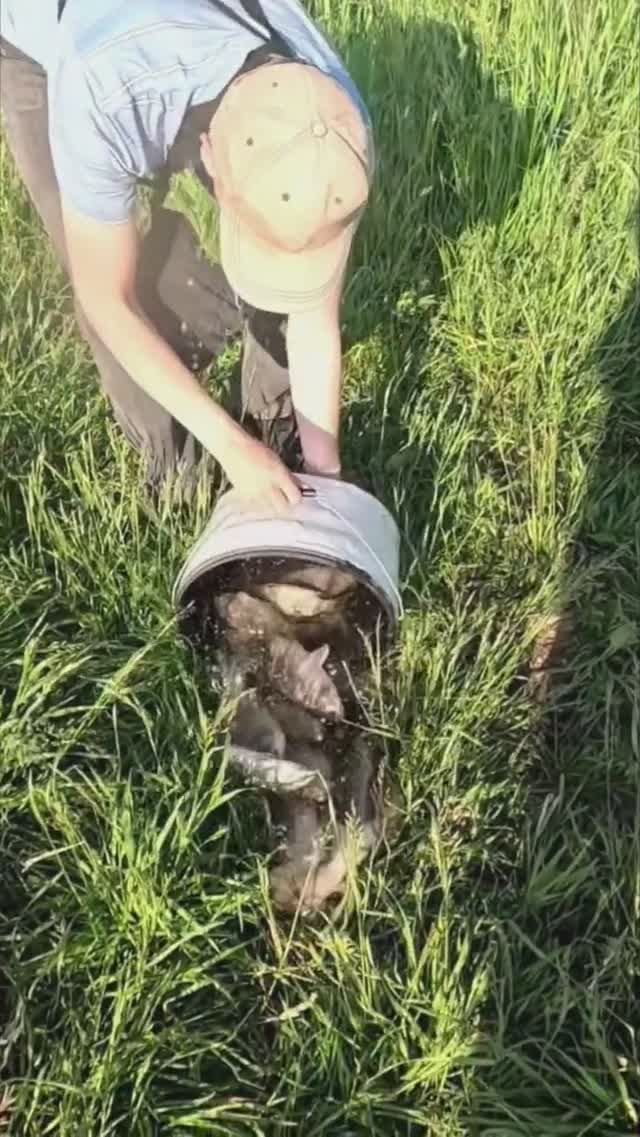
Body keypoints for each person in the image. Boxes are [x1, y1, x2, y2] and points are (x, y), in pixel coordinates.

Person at [0, 1, 373, 511]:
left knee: (272, 233)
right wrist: (228, 445)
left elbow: (314, 313)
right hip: (41, 32)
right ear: (208, 155)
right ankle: (176, 472)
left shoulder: (334, 122)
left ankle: (274, 424)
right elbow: (108, 300)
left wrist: (324, 472)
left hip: (159, 47)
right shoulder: (100, 94)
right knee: (97, 271)